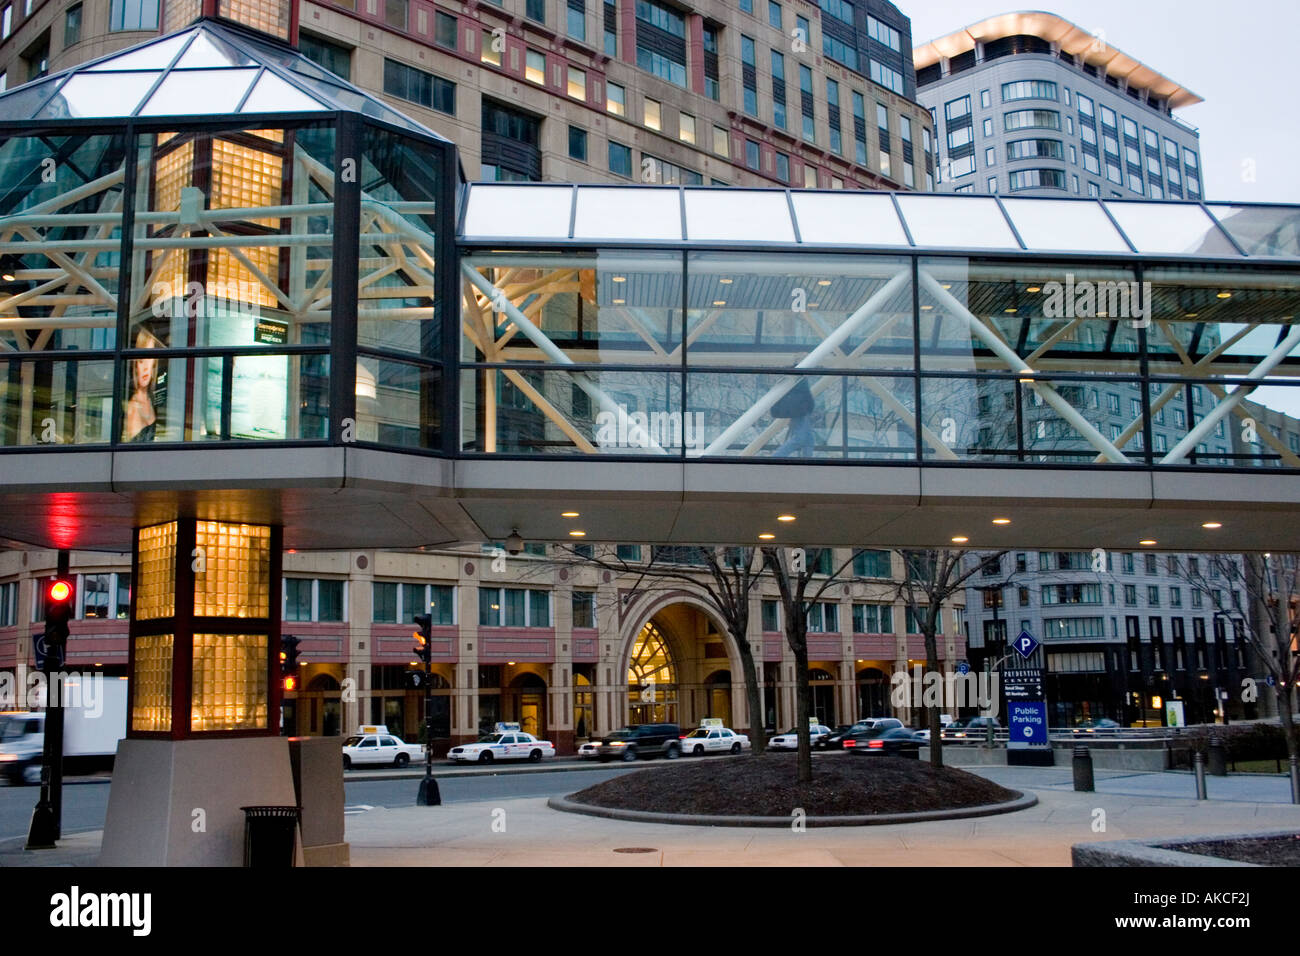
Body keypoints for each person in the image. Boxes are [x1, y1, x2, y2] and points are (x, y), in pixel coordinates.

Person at [122, 328, 161, 443]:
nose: (145, 368)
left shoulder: (151, 399)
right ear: (135, 364)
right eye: (141, 361)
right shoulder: (133, 408)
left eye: (149, 359)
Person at [771, 379, 816, 457]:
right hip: (801, 411)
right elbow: (806, 394)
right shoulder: (800, 379)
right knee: (800, 438)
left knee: (809, 439)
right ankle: (777, 456)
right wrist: (810, 407)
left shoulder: (794, 379)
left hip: (799, 410)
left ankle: (808, 460)